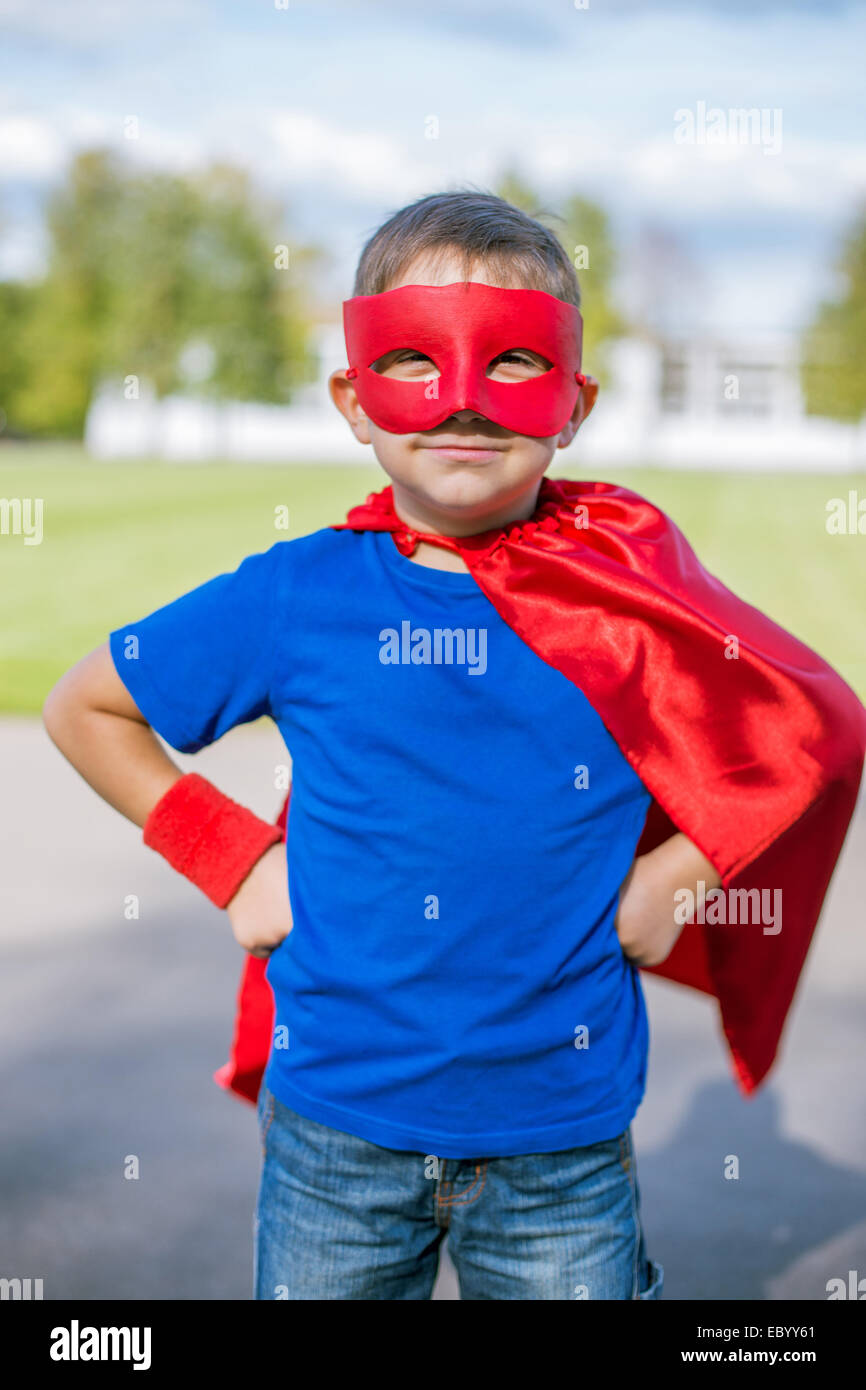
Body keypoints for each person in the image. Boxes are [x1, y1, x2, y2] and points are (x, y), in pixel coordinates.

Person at [42, 191, 864, 1301]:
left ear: (572, 404)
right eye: (414, 366)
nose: (462, 403)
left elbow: (812, 726)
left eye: (514, 365)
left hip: (559, 1143)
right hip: (340, 1130)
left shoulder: (626, 596)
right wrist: (228, 856)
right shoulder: (298, 595)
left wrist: (684, 871)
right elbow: (86, 708)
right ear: (351, 396)